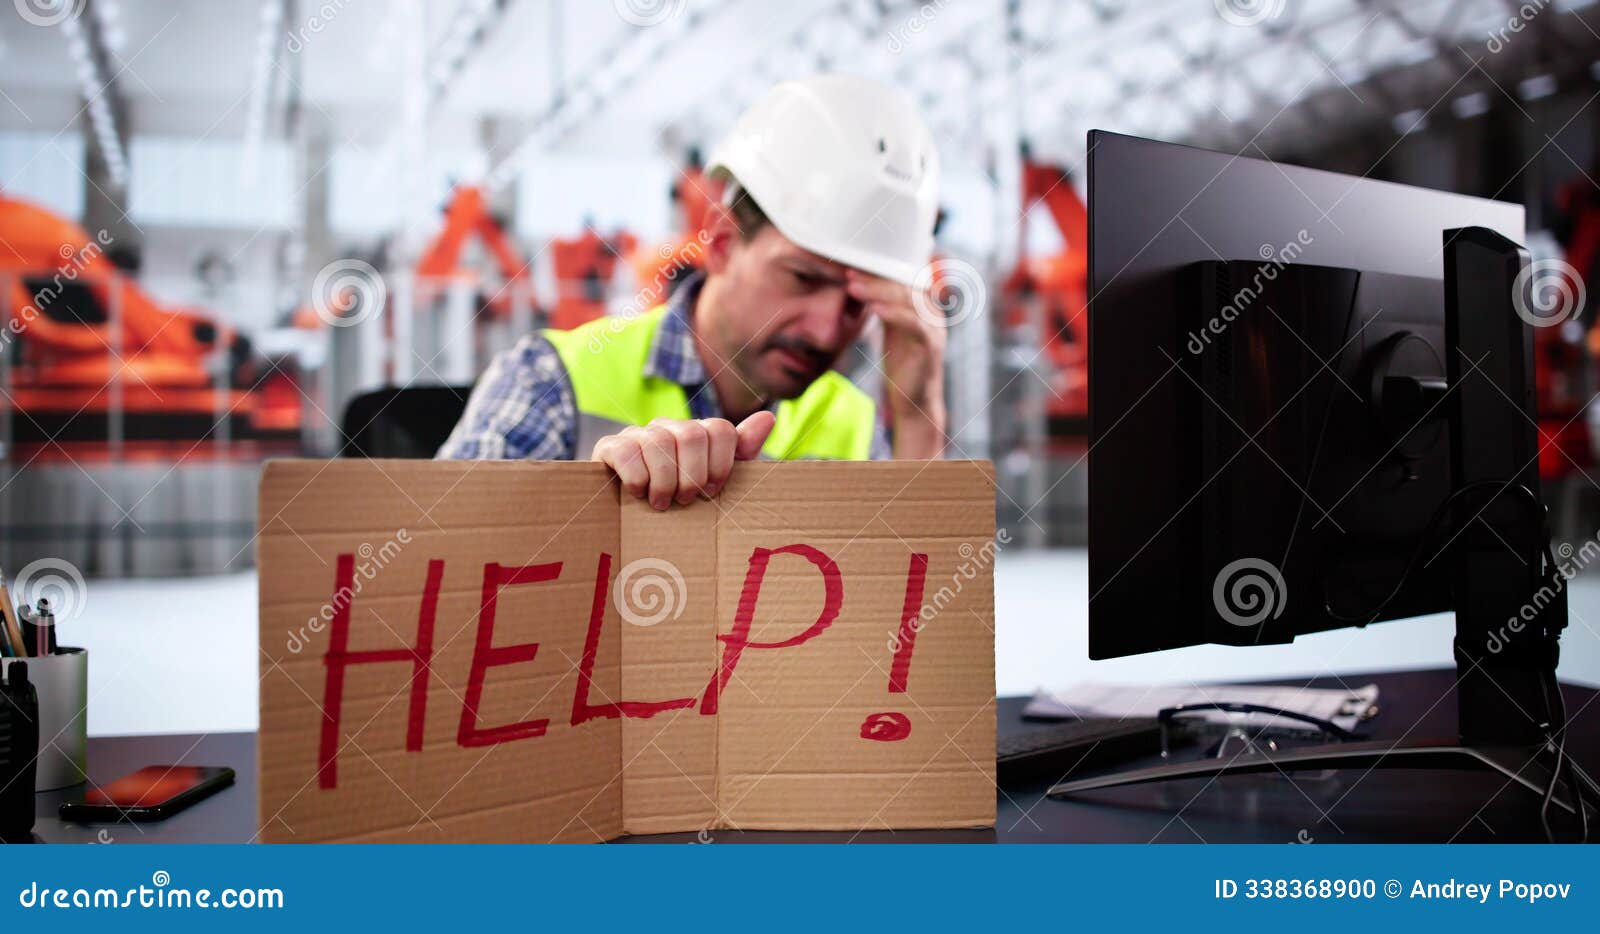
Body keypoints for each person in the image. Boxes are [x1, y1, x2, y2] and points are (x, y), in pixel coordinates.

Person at [437, 74, 947, 508]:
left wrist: (918, 414)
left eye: (858, 303)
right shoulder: (552, 379)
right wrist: (582, 504)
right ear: (722, 242)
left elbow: (911, 611)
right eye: (803, 279)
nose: (825, 330)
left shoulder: (853, 422)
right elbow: (432, 577)